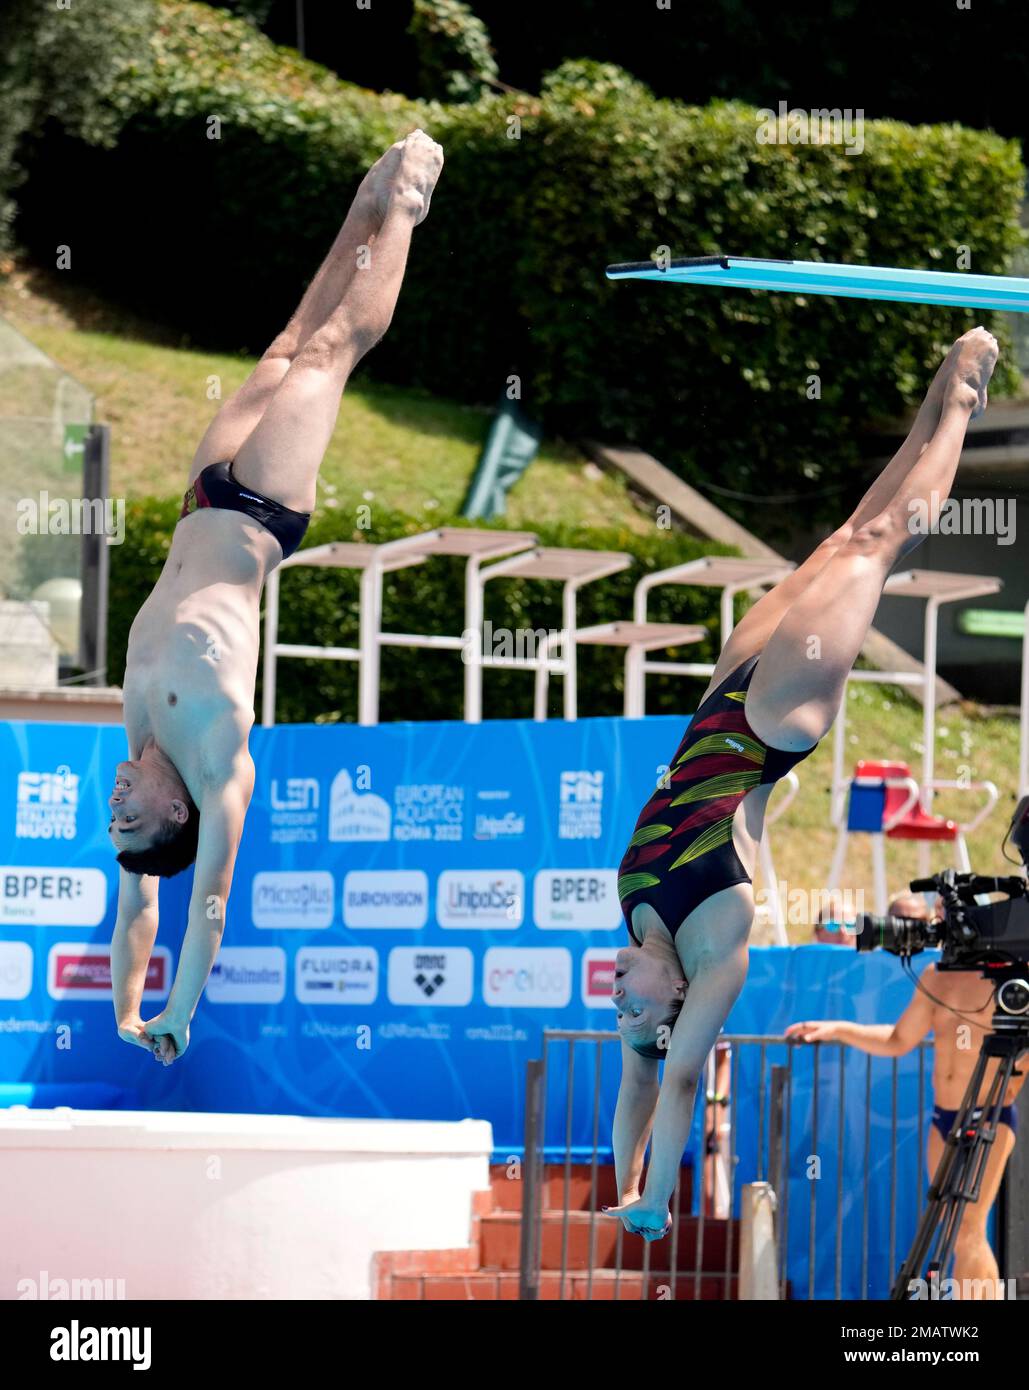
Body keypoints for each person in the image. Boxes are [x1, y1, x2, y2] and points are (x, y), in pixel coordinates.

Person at [605, 327, 999, 1240]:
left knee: (840, 539)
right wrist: (656, 1196)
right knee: (879, 546)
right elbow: (670, 1080)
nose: (615, 983)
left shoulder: (636, 915)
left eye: (617, 987)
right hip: (769, 725)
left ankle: (940, 391)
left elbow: (632, 1081)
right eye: (627, 995)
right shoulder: (716, 943)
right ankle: (965, 407)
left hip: (717, 700)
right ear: (672, 1002)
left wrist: (622, 1172)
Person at [108, 131, 444, 1065]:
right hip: (259, 511)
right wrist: (180, 1010)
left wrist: (127, 1011)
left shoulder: (139, 732)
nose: (118, 800)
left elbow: (136, 904)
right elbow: (199, 905)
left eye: (113, 813)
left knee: (286, 343)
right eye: (132, 814)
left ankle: (368, 196)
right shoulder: (220, 772)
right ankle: (409, 208)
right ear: (177, 816)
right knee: (333, 351)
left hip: (200, 496)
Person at [786, 891, 1023, 1300]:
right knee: (954, 1228)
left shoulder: (1013, 980)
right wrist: (837, 1028)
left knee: (968, 1230)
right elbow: (899, 1040)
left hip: (991, 1114)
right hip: (945, 1117)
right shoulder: (936, 974)